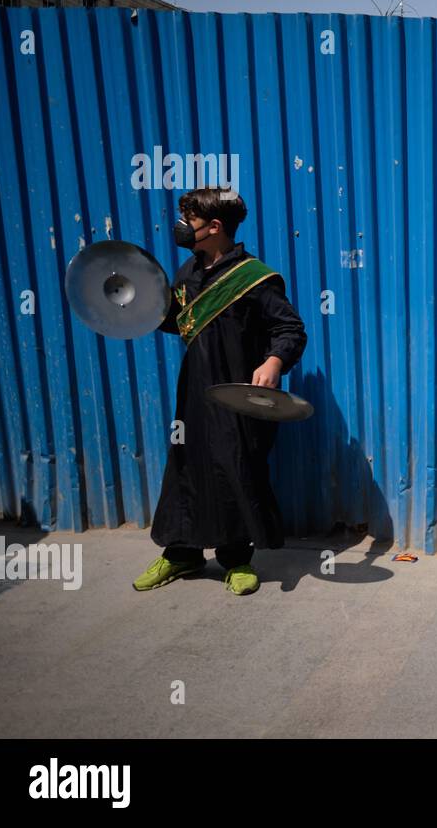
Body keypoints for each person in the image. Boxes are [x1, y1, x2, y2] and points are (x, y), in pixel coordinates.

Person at [132, 187, 307, 596]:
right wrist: (134, 304)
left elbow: (290, 329)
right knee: (186, 468)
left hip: (237, 393)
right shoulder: (186, 273)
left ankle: (236, 559)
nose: (181, 226)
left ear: (214, 227)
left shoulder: (255, 278)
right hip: (194, 390)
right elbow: (179, 322)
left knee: (235, 469)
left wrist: (274, 361)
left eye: (189, 219)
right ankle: (182, 553)